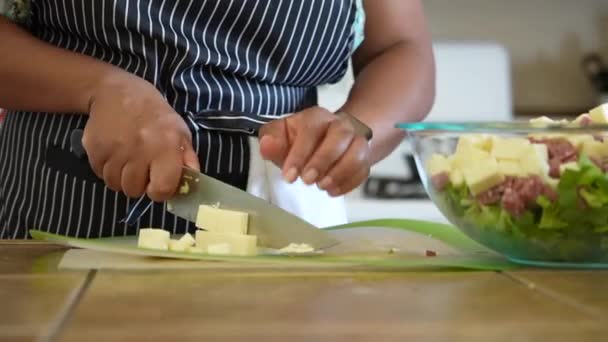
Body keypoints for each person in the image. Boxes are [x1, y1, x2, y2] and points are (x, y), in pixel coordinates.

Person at [0, 0, 435, 239]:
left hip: (284, 217)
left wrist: (357, 128)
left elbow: (400, 46)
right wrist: (102, 88)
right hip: (64, 213)